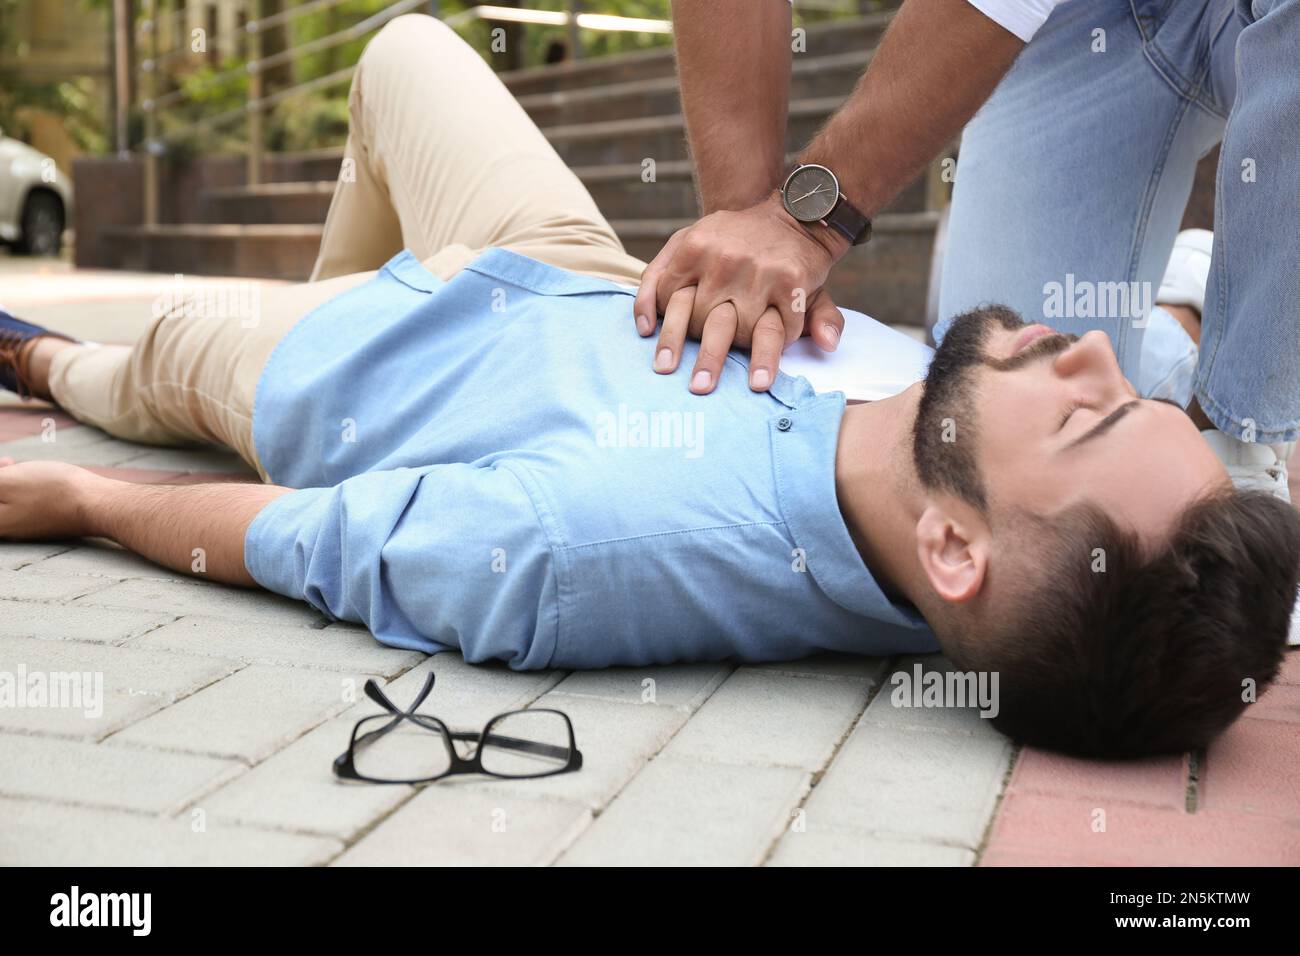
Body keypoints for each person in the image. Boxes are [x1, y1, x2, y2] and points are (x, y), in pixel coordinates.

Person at [0, 16, 1296, 758]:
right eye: (1132, 390)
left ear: (957, 549)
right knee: (402, 47)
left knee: (112, 370)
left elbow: (303, 537)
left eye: (1086, 411)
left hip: (335, 364)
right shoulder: (966, 485)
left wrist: (84, 496)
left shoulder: (583, 551)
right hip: (557, 255)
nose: (1091, 351)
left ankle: (83, 363)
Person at [646, 0, 1297, 509]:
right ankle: (1186, 313)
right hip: (1088, 17)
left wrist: (802, 224)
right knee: (994, 444)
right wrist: (748, 264)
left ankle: (1239, 438)